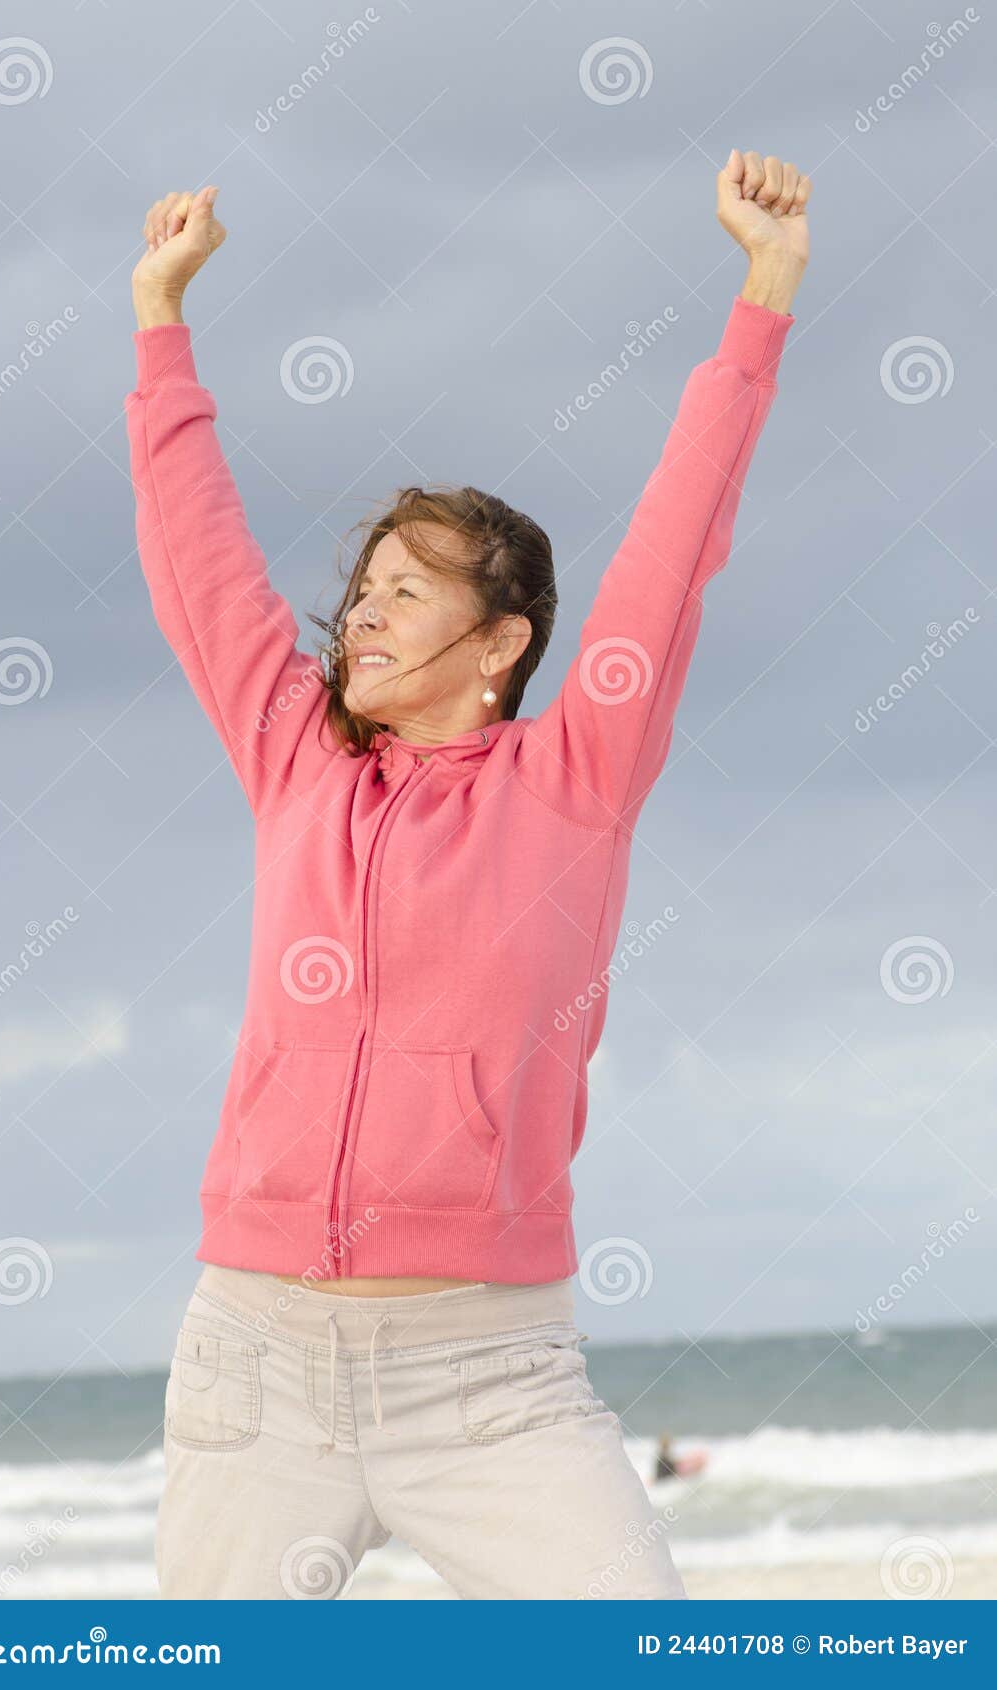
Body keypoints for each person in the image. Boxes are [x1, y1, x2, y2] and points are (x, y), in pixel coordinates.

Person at [126, 147, 809, 1600]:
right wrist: (159, 323)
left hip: (489, 1372)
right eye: (361, 590)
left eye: (407, 591)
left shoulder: (576, 780)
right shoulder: (298, 760)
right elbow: (201, 568)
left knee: (633, 1651)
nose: (362, 617)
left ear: (502, 641)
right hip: (260, 1359)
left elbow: (676, 548)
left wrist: (763, 297)